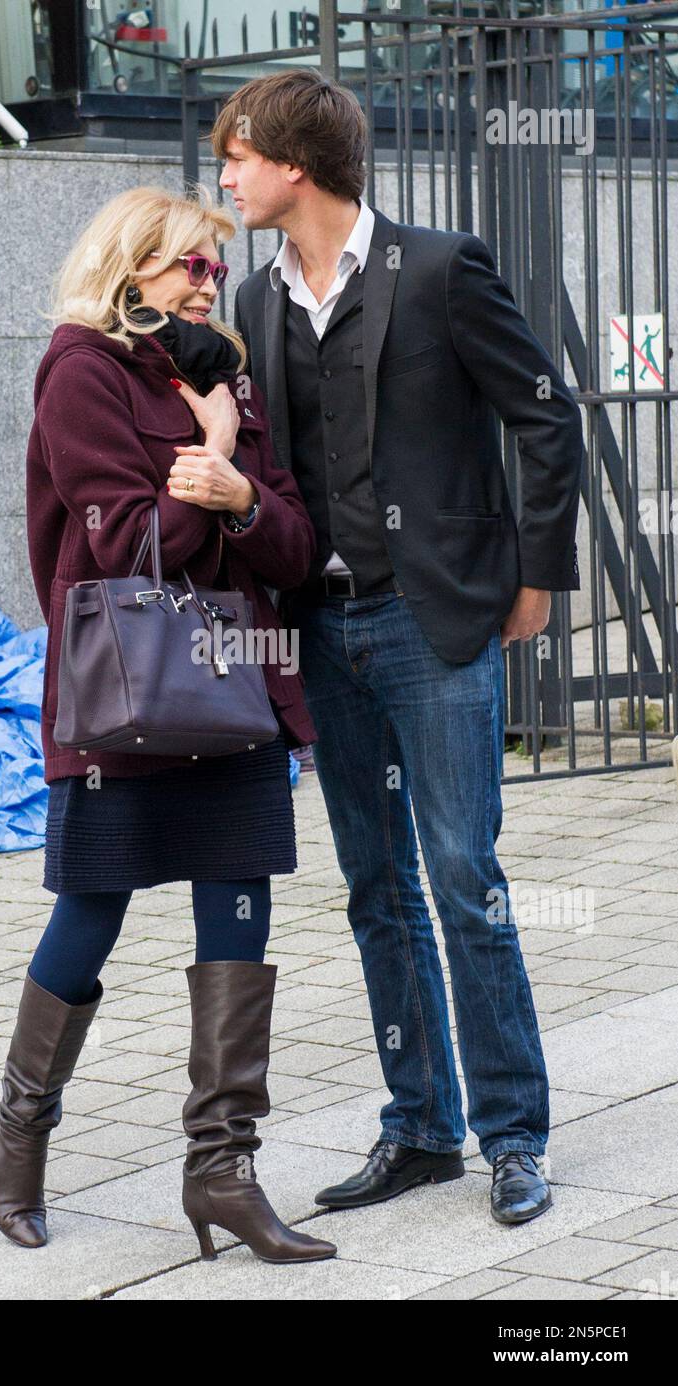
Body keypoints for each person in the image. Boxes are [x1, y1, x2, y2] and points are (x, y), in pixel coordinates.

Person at [214, 69, 583, 1225]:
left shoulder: (436, 269)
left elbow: (544, 416)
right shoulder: (255, 296)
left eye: (237, 155)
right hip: (324, 627)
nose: (223, 176)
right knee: (377, 888)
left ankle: (512, 1135)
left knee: (465, 881)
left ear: (293, 165)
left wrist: (534, 579)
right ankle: (418, 1126)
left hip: (431, 621)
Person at [0, 184, 336, 1265]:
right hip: (121, 704)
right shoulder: (79, 370)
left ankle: (222, 1172)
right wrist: (214, 469)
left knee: (240, 920)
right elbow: (120, 551)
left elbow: (290, 545)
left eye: (215, 267)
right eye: (190, 264)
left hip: (232, 696)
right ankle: (18, 1140)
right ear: (131, 265)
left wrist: (235, 484)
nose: (208, 282)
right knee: (88, 915)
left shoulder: (222, 373)